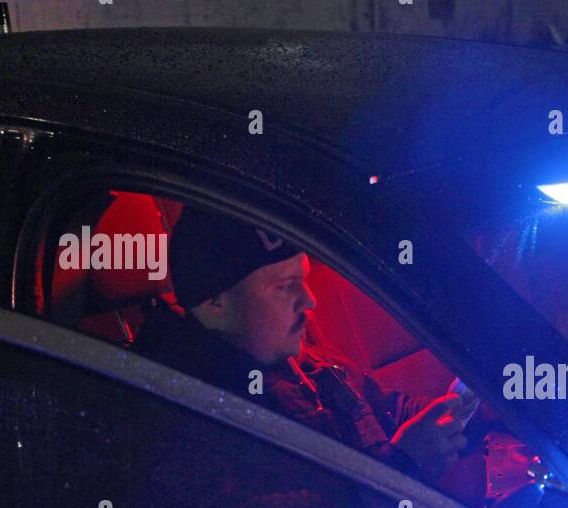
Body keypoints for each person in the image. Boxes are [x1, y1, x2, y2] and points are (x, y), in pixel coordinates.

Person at [132, 206, 469, 482]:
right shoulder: (185, 420)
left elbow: (386, 412)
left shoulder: (304, 363)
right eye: (285, 286)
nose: (310, 301)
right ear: (217, 303)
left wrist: (458, 411)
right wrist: (402, 466)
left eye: (303, 280)